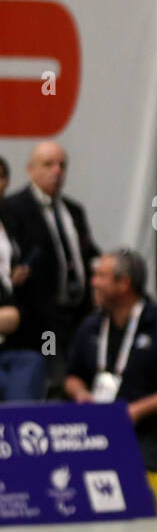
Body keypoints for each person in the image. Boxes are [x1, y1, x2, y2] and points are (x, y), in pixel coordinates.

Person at [64, 250, 157, 474]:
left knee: (137, 471)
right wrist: (80, 393)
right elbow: (72, 376)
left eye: (101, 276)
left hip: (149, 432)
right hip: (92, 430)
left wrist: (138, 410)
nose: (93, 282)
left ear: (123, 283)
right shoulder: (90, 326)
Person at [1, 141, 100, 385]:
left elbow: (89, 253)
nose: (56, 171)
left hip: (76, 315)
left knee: (78, 374)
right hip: (40, 319)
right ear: (30, 169)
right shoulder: (13, 208)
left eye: (61, 165)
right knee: (51, 374)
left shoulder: (73, 210)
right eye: (48, 165)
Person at [0, 155, 46, 401]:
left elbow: (12, 317)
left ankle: (16, 431)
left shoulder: (10, 219)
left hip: (10, 339)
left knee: (32, 362)